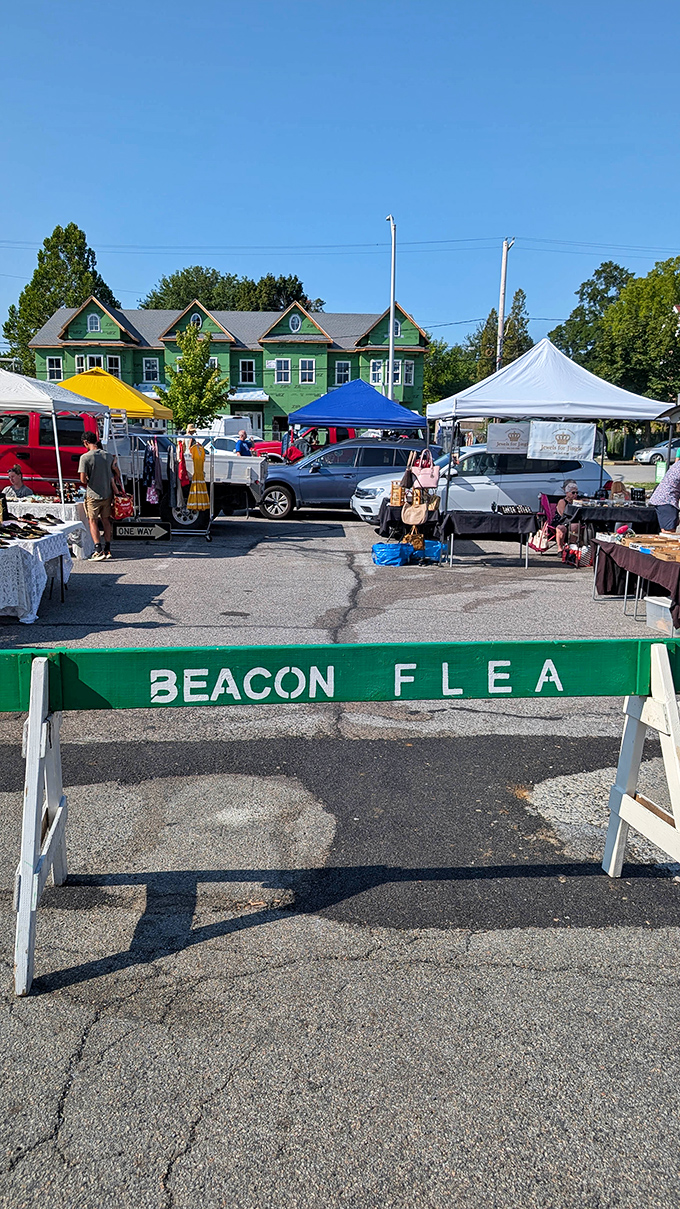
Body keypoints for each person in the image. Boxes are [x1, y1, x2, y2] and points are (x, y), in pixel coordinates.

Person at [78, 433, 121, 561]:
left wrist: (89, 478)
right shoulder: (108, 456)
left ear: (86, 442)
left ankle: (98, 549)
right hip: (107, 493)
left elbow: (83, 480)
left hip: (93, 494)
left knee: (93, 521)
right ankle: (107, 548)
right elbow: (116, 474)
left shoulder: (85, 457)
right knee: (106, 520)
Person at [649, 456, 680, 534]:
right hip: (667, 500)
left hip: (663, 499)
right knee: (668, 533)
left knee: (667, 532)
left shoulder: (678, 464)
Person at [554, 480, 579, 552]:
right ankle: (560, 548)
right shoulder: (562, 501)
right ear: (567, 493)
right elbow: (563, 515)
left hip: (573, 521)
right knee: (561, 528)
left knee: (575, 525)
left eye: (577, 492)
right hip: (562, 521)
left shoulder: (577, 502)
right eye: (573, 493)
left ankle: (571, 546)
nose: (575, 494)